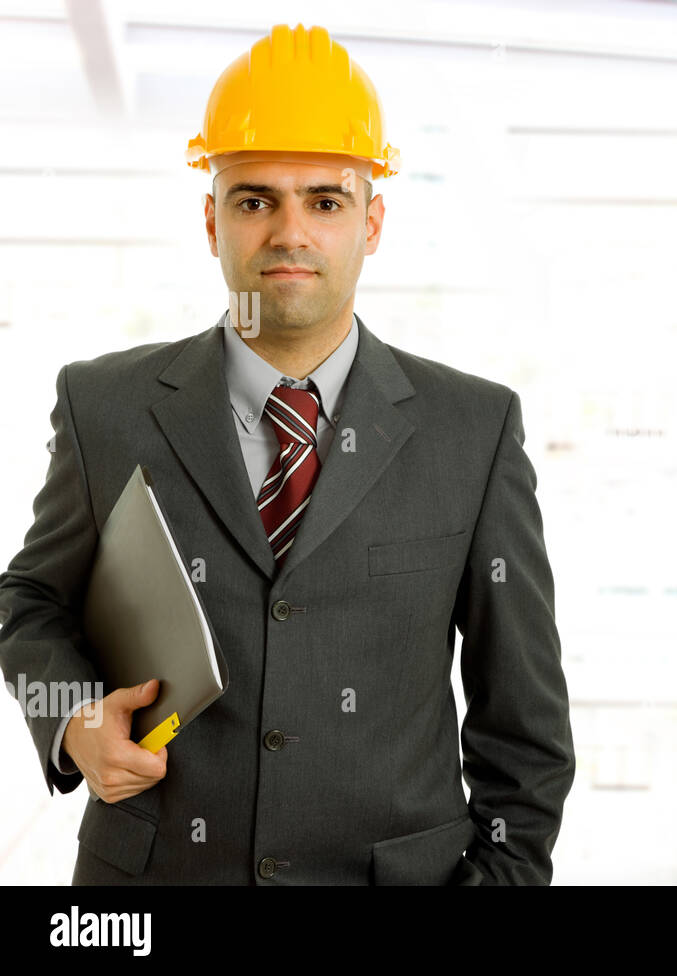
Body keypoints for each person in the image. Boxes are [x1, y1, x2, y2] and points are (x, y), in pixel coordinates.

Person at [0, 23, 576, 885]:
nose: (290, 232)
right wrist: (75, 717)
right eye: (256, 199)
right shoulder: (105, 406)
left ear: (372, 222)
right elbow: (28, 602)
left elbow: (523, 728)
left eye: (326, 200)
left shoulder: (475, 429)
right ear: (212, 220)